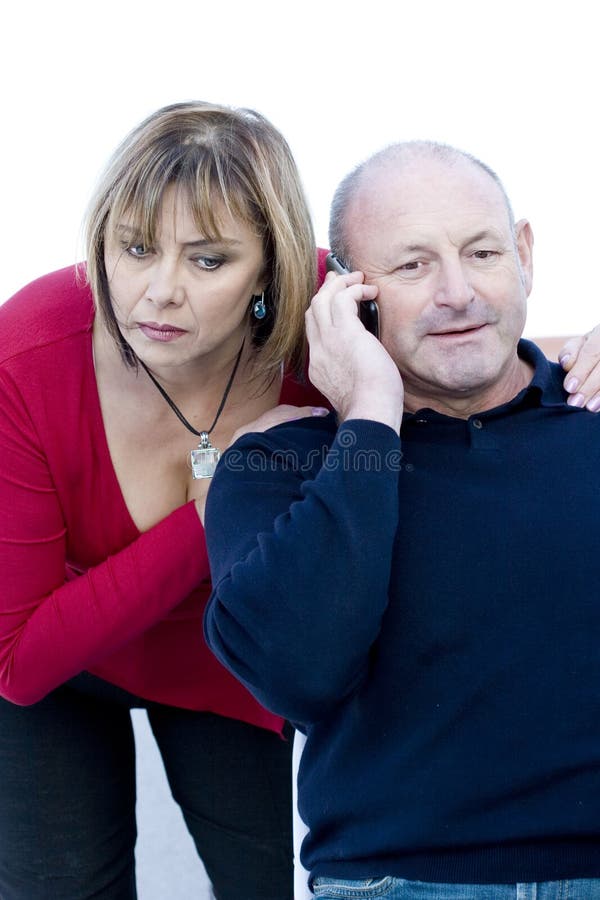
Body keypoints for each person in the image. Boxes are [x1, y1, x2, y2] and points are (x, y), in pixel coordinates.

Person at [204, 140, 600, 899]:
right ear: (350, 297)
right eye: (413, 266)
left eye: (481, 252)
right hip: (398, 883)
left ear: (523, 254)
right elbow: (297, 672)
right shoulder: (278, 465)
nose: (457, 292)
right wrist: (371, 413)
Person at [0, 100, 332, 900]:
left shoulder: (328, 319)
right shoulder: (27, 353)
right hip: (54, 665)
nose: (160, 291)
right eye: (136, 248)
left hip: (225, 658)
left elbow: (476, 338)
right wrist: (206, 515)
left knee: (274, 888)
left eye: (210, 260)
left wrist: (578, 358)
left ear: (271, 266)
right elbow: (17, 663)